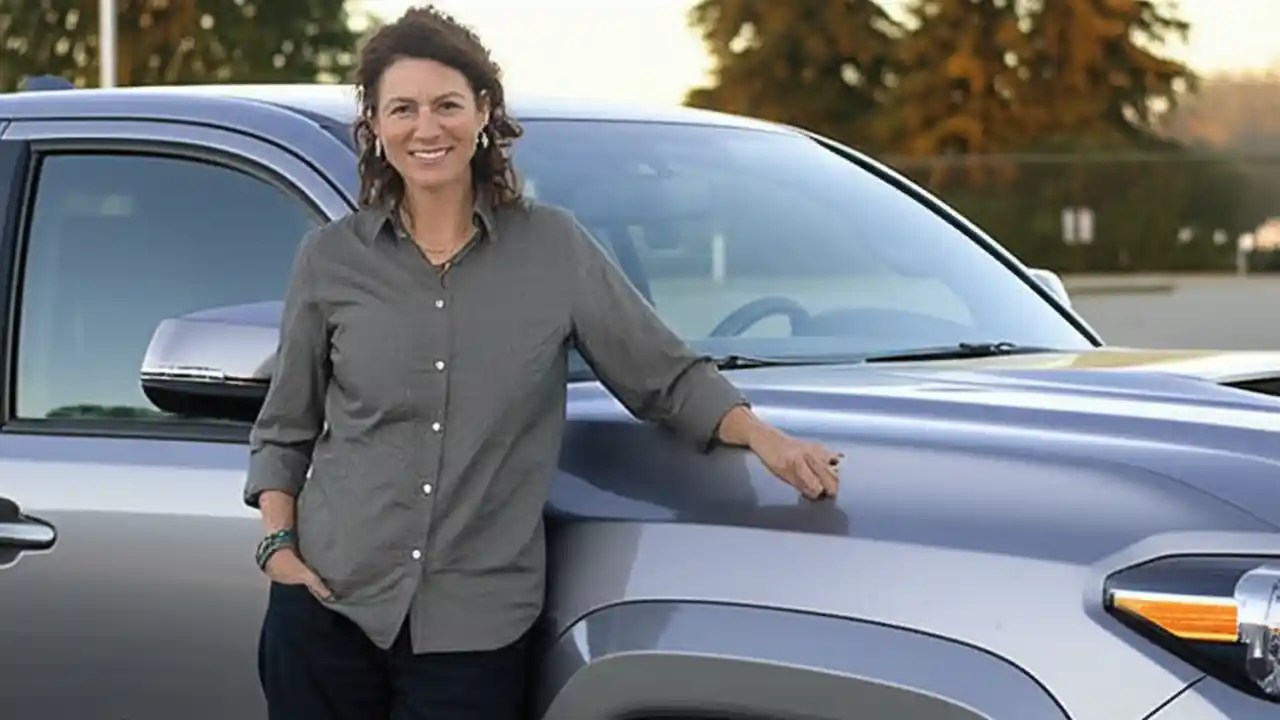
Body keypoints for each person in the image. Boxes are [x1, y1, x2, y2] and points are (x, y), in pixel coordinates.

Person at [242, 5, 843, 719]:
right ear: (373, 125)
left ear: (484, 112)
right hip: (326, 614)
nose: (425, 128)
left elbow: (664, 376)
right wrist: (279, 551)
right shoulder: (333, 258)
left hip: (475, 630)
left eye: (446, 105)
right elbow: (286, 427)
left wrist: (768, 440)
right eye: (401, 109)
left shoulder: (553, 249)